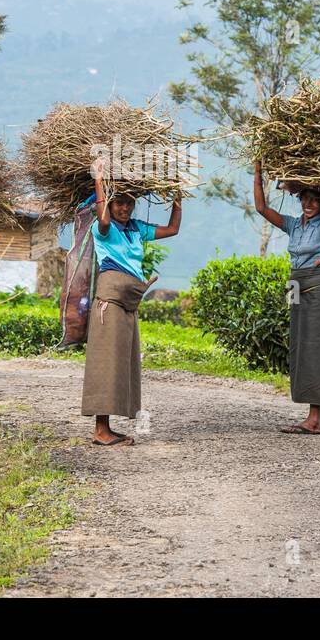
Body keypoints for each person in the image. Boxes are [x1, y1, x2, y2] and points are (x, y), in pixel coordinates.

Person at [81, 157, 181, 446]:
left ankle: (108, 427)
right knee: (105, 362)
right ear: (110, 203)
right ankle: (101, 430)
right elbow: (101, 219)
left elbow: (172, 229)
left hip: (128, 304)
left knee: (122, 364)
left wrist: (178, 196)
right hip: (110, 303)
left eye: (129, 203)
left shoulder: (137, 229)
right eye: (119, 202)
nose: (124, 208)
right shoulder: (105, 229)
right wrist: (99, 179)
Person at [252, 157, 320, 435]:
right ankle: (313, 418)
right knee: (299, 345)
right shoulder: (293, 225)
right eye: (304, 199)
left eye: (313, 200)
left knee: (317, 347)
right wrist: (257, 172)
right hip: (294, 287)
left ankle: (315, 417)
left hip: (317, 287)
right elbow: (261, 207)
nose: (307, 204)